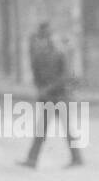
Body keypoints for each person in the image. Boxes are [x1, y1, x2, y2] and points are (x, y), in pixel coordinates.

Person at [21, 21, 82, 169]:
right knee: (41, 129)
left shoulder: (59, 54)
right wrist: (40, 89)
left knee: (66, 129)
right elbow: (36, 76)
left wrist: (47, 89)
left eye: (47, 37)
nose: (45, 40)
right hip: (47, 98)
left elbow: (65, 76)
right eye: (42, 37)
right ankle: (31, 160)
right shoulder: (37, 56)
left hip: (61, 96)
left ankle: (77, 158)